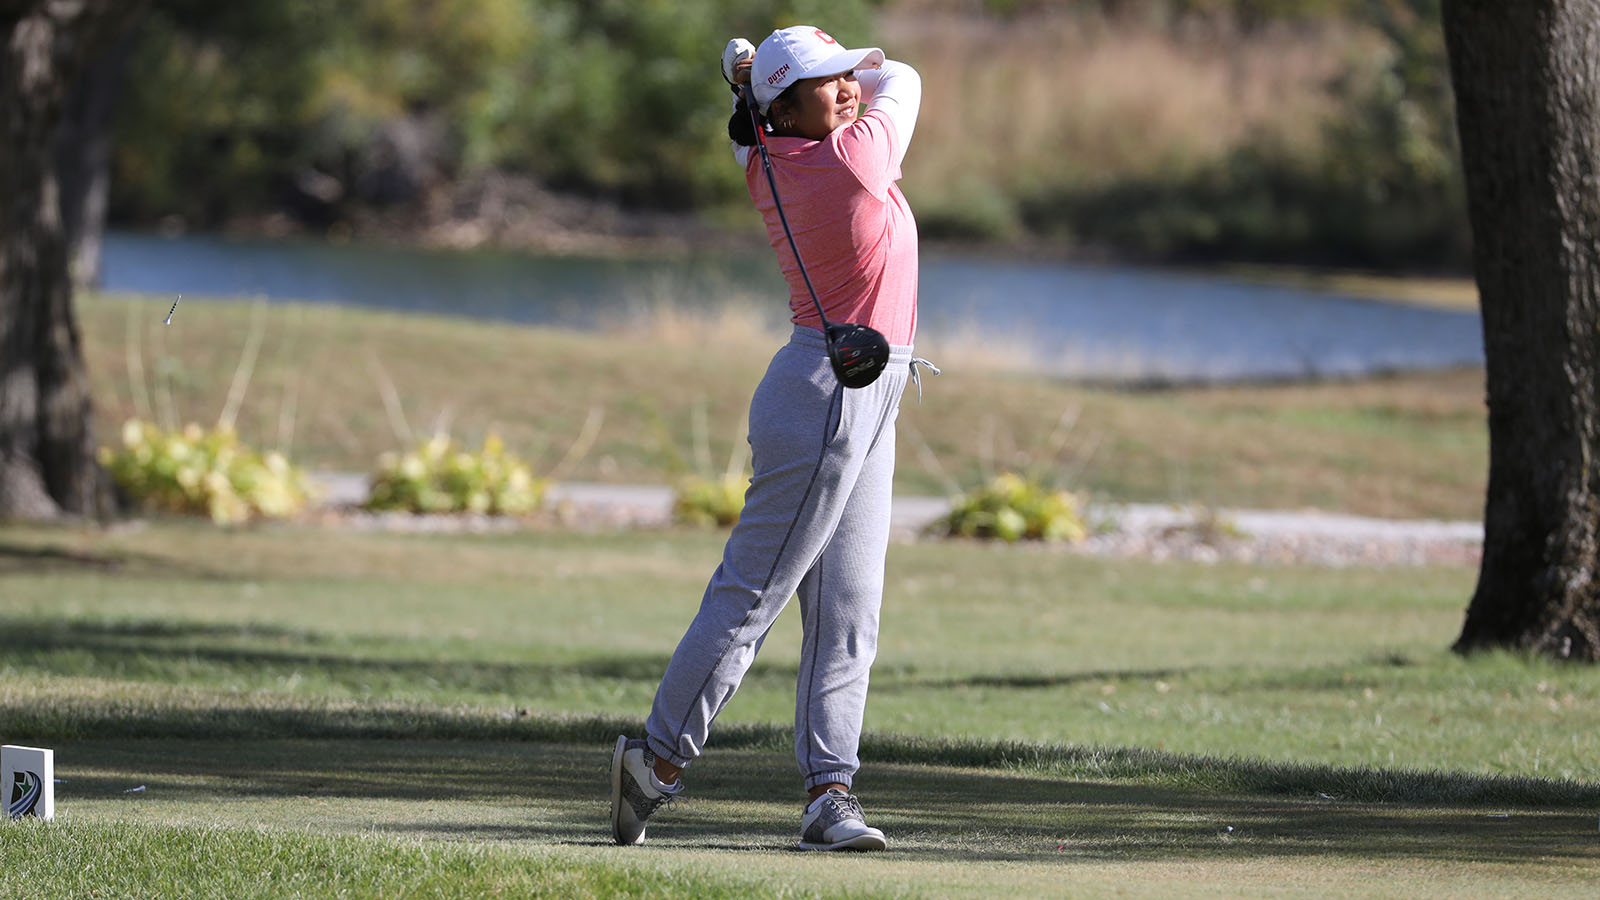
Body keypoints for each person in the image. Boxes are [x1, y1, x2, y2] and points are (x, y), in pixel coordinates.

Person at [609, 24, 929, 852]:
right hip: (827, 392)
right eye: (827, 82)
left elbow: (773, 113)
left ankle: (830, 792)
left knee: (849, 608)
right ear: (786, 106)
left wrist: (759, 81)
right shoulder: (854, 158)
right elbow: (909, 76)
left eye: (843, 79)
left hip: (868, 385)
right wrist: (767, 74)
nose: (849, 88)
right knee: (754, 595)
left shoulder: (765, 156)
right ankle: (657, 760)